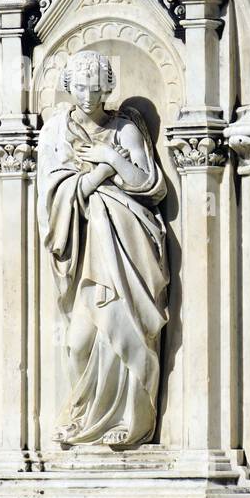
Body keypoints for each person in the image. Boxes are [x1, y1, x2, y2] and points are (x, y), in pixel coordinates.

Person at [38, 51, 170, 447]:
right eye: (78, 87)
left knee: (125, 331)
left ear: (106, 88)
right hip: (88, 256)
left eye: (94, 88)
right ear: (68, 87)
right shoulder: (58, 130)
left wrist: (112, 157)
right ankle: (83, 416)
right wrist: (100, 173)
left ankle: (133, 420)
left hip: (129, 249)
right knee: (77, 343)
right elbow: (55, 193)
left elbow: (151, 185)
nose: (85, 95)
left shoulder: (125, 129)